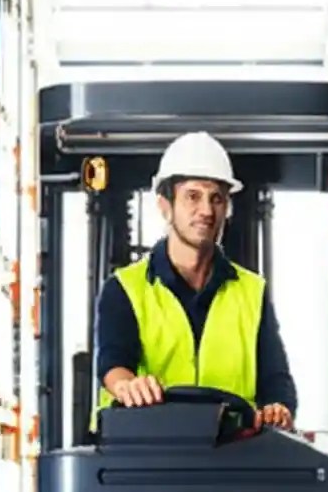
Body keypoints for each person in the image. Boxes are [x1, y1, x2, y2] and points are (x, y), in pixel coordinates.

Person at [94, 131, 298, 430]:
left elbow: (277, 381)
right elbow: (112, 363)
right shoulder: (124, 289)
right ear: (165, 205)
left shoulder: (252, 293)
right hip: (145, 458)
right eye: (193, 196)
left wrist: (278, 409)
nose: (206, 210)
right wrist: (128, 386)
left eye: (216, 198)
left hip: (234, 460)